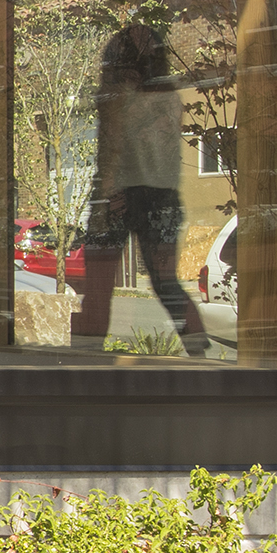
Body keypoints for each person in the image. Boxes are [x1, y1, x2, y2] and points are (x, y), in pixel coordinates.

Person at [69, 18, 213, 358]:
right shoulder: (172, 99)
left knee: (99, 287)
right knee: (166, 284)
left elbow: (112, 149)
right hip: (163, 197)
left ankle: (83, 366)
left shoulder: (116, 97)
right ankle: (202, 360)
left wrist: (103, 200)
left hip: (119, 193)